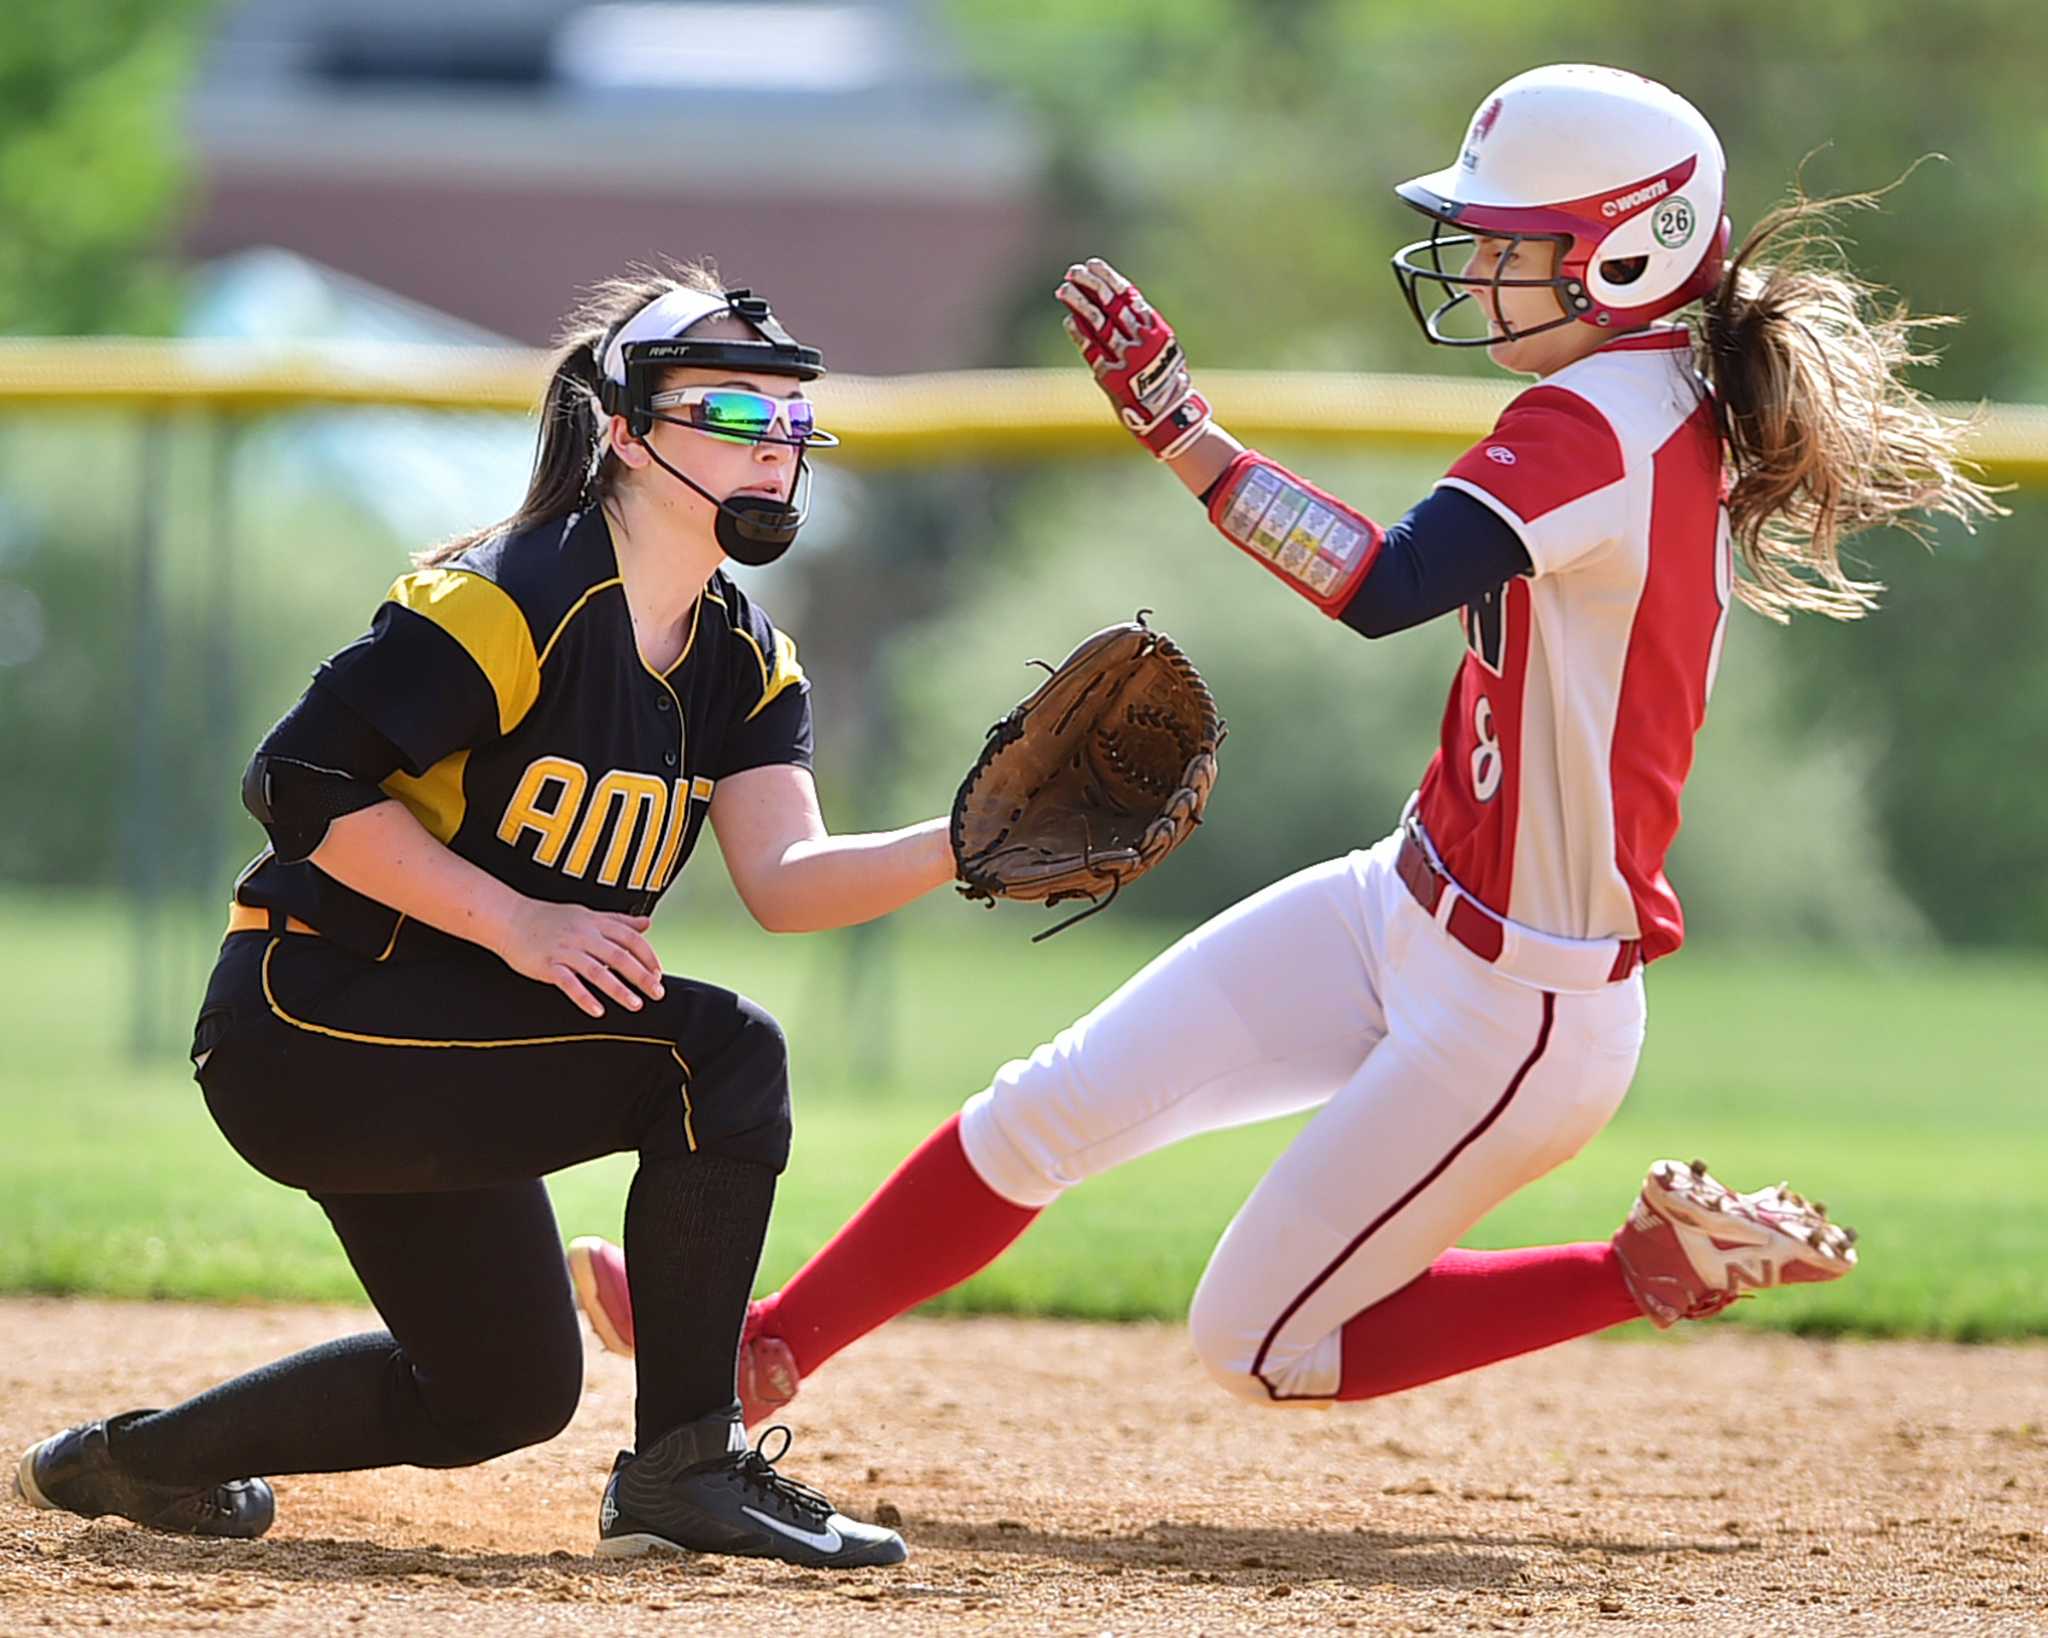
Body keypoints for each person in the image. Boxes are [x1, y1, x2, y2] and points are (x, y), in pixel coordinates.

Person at [571, 65, 1998, 1425]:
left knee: (1259, 1344)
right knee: (1046, 1109)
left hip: (1522, 1005)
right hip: (1405, 896)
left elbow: (1378, 582)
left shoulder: (1607, 418)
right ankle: (766, 1346)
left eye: (1516, 244)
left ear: (1635, 253)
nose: (1478, 266)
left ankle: (1647, 1271)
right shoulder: (1638, 394)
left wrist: (1185, 433)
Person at [12, 263, 964, 1567]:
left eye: (790, 418)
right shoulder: (511, 594)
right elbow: (296, 779)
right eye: (734, 413)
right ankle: (685, 1469)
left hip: (450, 1038)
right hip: (310, 1019)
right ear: (624, 430)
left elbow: (786, 876)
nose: (774, 444)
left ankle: (137, 1462)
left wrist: (960, 845)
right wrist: (517, 921)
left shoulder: (744, 658)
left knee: (500, 1392)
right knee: (720, 1054)